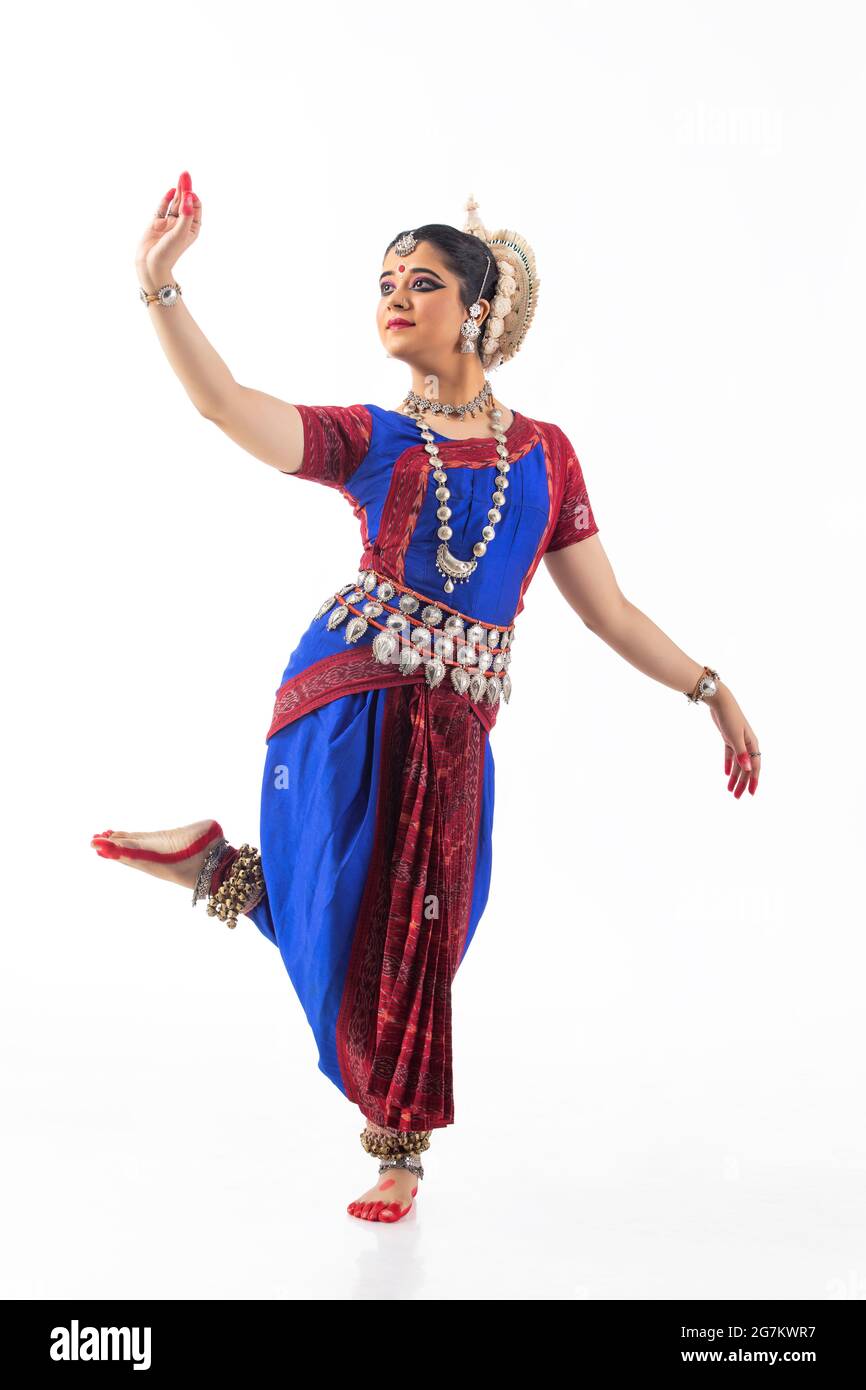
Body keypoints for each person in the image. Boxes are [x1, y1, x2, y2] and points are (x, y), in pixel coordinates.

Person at [91, 178, 762, 1226]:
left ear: (478, 307)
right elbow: (228, 407)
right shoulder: (372, 441)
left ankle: (217, 870)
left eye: (422, 283)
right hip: (346, 694)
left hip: (453, 725)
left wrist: (709, 691)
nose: (394, 300)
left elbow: (609, 611)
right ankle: (398, 1161)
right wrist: (158, 283)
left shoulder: (543, 456)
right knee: (373, 930)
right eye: (383, 285)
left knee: (417, 931)